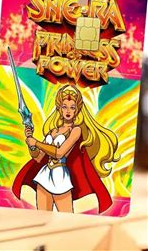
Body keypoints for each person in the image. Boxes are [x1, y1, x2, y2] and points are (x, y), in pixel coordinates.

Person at [12, 85, 118, 213]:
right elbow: (38, 157)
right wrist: (31, 143)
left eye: (72, 107)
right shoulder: (52, 131)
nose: (68, 111)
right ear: (59, 108)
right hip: (44, 176)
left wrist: (36, 142)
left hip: (60, 177)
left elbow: (59, 153)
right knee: (42, 216)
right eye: (64, 107)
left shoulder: (76, 131)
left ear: (77, 110)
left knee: (67, 217)